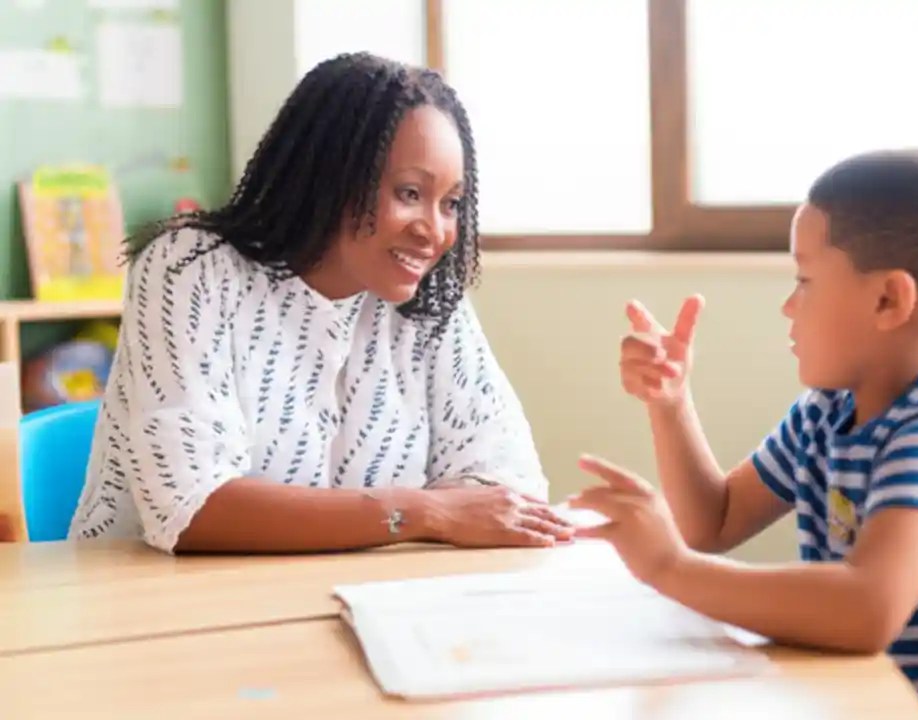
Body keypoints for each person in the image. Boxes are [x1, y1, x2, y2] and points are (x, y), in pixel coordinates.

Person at [571, 148, 918, 718]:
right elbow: (711, 523)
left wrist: (671, 569)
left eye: (805, 279)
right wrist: (669, 403)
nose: (789, 306)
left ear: (889, 299)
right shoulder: (827, 412)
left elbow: (868, 610)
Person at [69, 53, 572, 554]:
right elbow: (191, 509)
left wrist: (421, 516)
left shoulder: (430, 299)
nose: (434, 230)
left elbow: (512, 490)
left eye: (451, 204)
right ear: (330, 175)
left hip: (349, 598)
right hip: (152, 606)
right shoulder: (190, 267)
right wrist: (427, 512)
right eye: (410, 192)